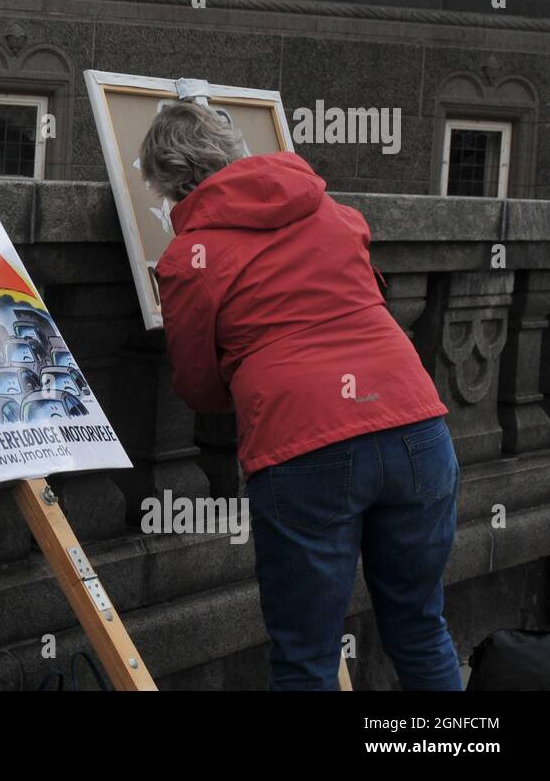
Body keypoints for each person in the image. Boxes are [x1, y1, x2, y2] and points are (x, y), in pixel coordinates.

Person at [142, 101, 462, 691]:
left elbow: (197, 384)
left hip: (305, 445)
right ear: (235, 152)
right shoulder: (333, 213)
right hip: (417, 424)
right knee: (420, 627)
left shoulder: (190, 256)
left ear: (168, 182)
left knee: (307, 655)